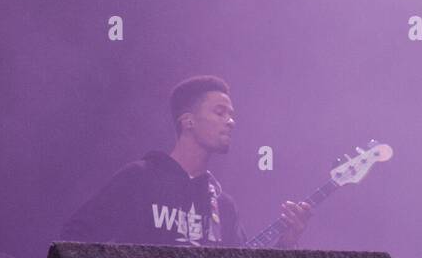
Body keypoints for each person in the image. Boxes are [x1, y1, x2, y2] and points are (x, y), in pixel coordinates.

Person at [61, 75, 312, 248]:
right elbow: (74, 240)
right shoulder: (140, 178)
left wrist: (286, 243)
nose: (231, 121)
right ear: (188, 121)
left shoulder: (223, 205)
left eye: (232, 115)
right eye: (220, 112)